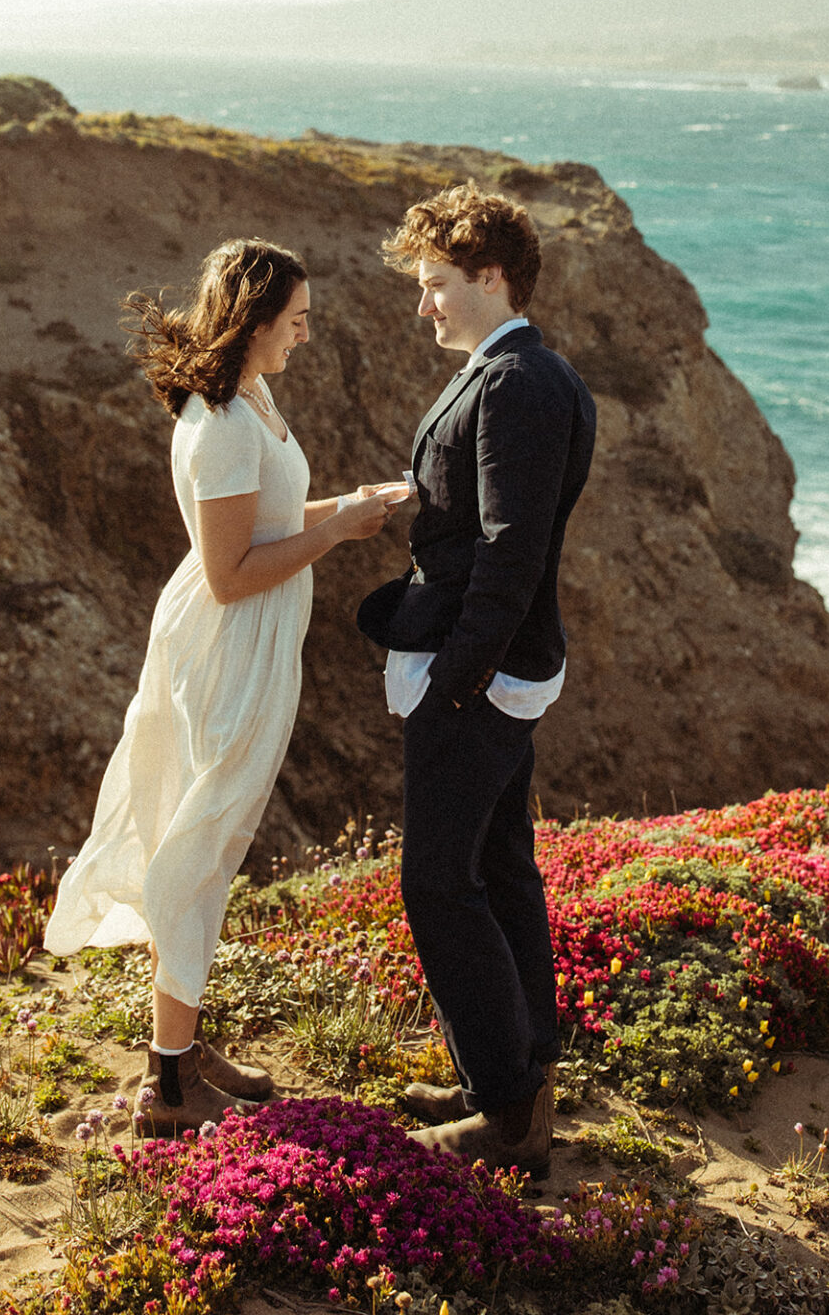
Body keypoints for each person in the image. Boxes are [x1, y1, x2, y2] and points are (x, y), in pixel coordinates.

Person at [44, 238, 396, 1134]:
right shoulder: (225, 425)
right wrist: (338, 533)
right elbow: (233, 571)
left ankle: (185, 1046)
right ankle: (168, 1083)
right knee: (198, 842)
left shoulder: (254, 397)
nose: (306, 336)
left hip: (252, 638)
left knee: (210, 837)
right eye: (298, 321)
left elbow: (270, 521)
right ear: (254, 319)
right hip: (228, 641)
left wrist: (348, 510)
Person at [357, 182, 596, 1174]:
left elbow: (511, 552)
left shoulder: (517, 383)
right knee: (499, 868)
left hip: (482, 672)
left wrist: (455, 678)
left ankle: (502, 1119)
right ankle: (513, 1076)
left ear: (492, 276)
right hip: (492, 665)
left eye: (438, 284)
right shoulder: (515, 373)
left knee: (435, 883)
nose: (425, 306)